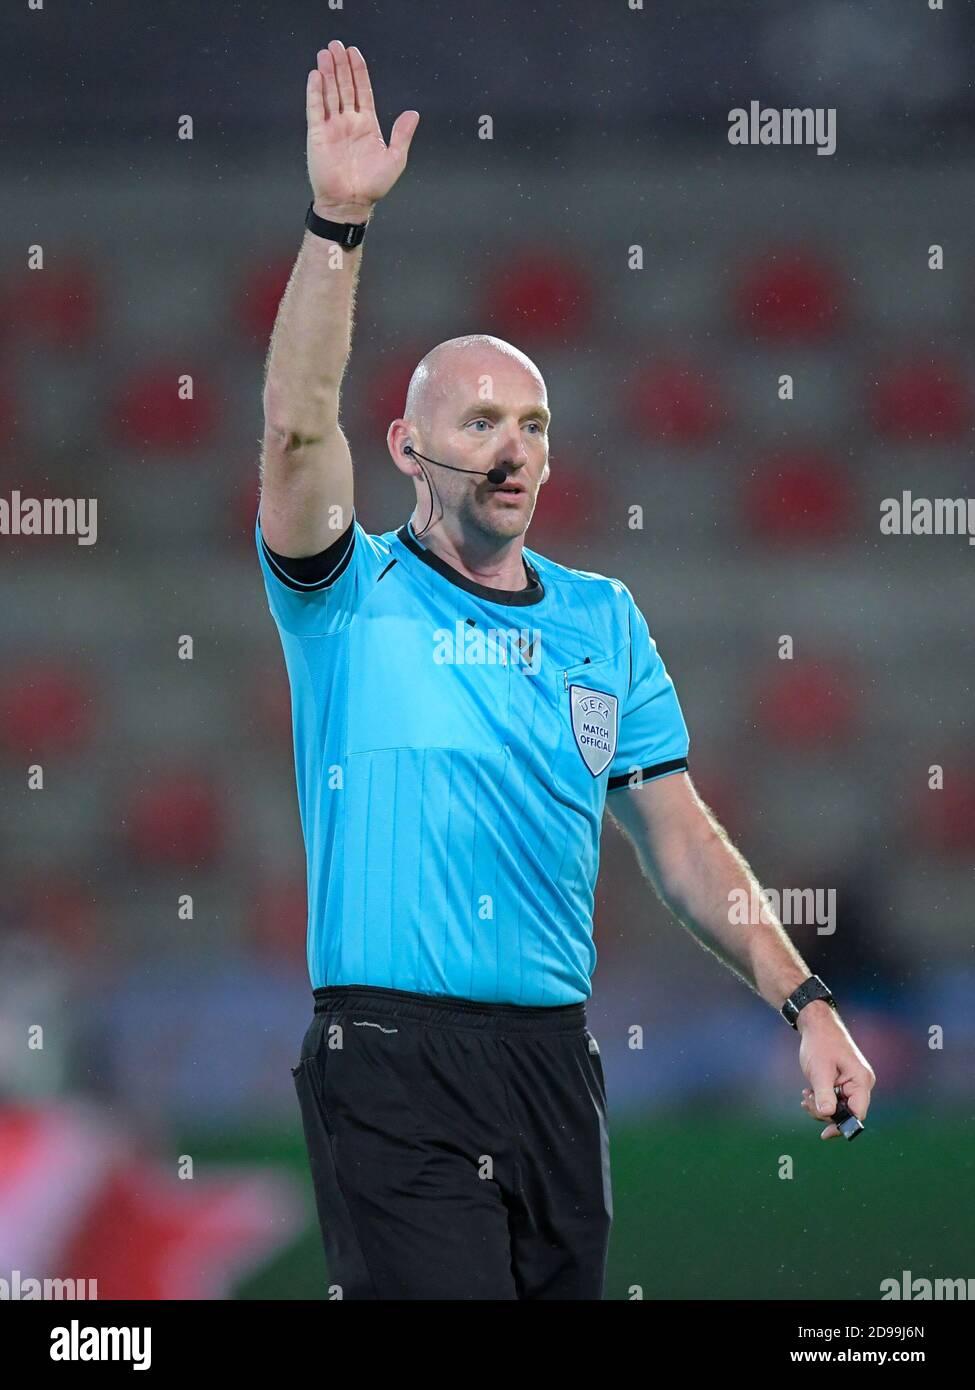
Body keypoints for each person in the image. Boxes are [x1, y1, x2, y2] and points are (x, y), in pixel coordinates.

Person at [256, 40, 876, 1301]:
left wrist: (805, 999)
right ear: (407, 448)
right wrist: (339, 221)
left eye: (533, 423)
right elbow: (295, 423)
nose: (513, 448)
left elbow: (682, 837)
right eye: (478, 423)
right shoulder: (349, 593)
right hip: (389, 1057)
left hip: (550, 1066)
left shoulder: (603, 618)